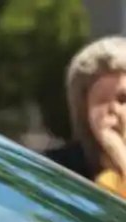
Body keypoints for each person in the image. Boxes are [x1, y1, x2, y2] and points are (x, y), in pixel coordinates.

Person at [47, 36, 126, 197]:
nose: (114, 109)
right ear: (84, 111)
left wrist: (119, 156)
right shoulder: (58, 170)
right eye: (101, 101)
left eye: (123, 99)